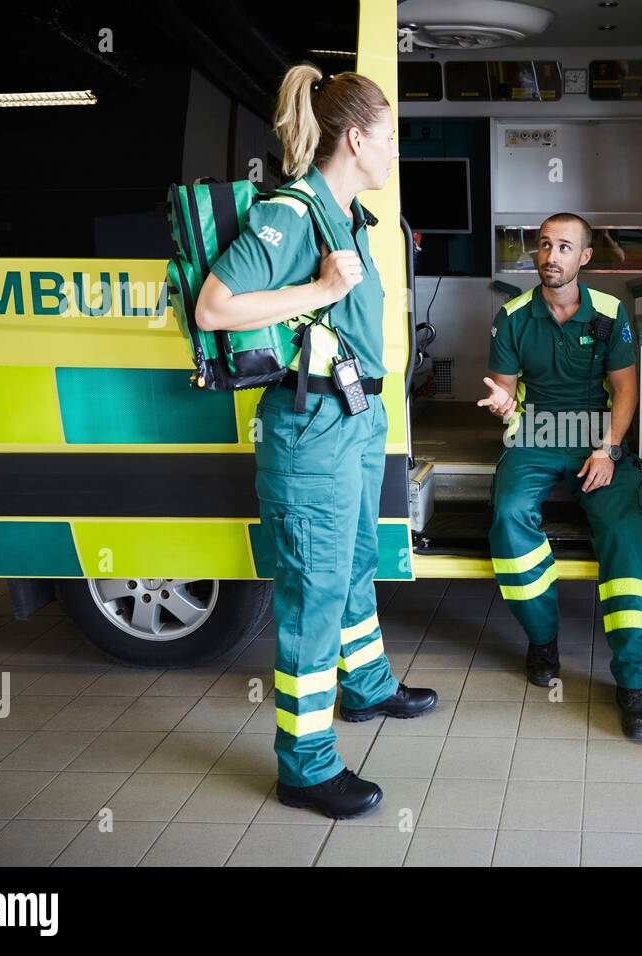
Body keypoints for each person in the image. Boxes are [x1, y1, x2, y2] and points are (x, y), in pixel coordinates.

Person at [196, 65, 437, 820]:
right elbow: (214, 307)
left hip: (356, 418)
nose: (396, 152)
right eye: (391, 138)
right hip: (312, 430)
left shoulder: (349, 212)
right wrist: (321, 291)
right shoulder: (293, 211)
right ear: (358, 138)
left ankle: (365, 687)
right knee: (313, 594)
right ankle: (304, 766)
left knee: (357, 560)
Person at [478, 213, 642, 740]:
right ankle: (543, 639)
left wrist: (607, 449)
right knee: (510, 513)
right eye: (544, 245)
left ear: (584, 258)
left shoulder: (610, 313)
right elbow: (507, 392)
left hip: (597, 438)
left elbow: (625, 390)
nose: (551, 255)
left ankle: (635, 684)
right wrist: (503, 404)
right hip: (535, 435)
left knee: (624, 534)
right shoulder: (511, 316)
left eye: (564, 247)